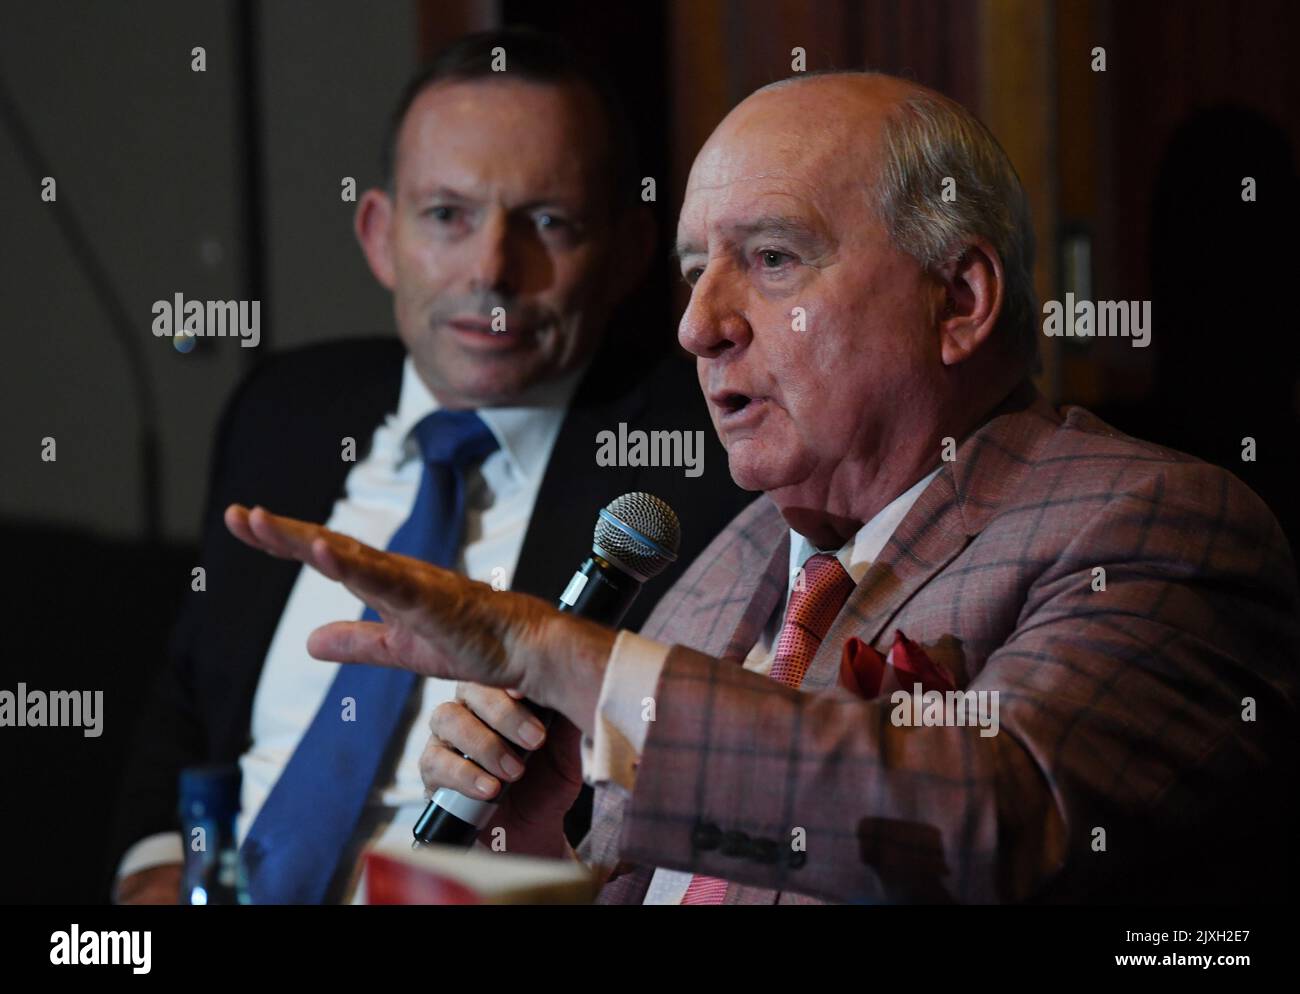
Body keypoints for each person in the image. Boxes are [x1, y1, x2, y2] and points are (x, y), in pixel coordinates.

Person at [223, 71, 1300, 904]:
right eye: (696, 271)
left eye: (773, 260)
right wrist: (535, 848)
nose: (698, 326)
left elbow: (995, 823)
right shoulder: (728, 558)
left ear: (959, 300)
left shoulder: (1151, 527)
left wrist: (559, 657)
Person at [109, 28, 749, 904]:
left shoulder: (704, 467)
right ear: (380, 236)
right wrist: (152, 880)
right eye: (448, 216)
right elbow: (187, 708)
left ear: (629, 254)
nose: (491, 270)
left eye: (547, 223)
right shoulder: (286, 411)